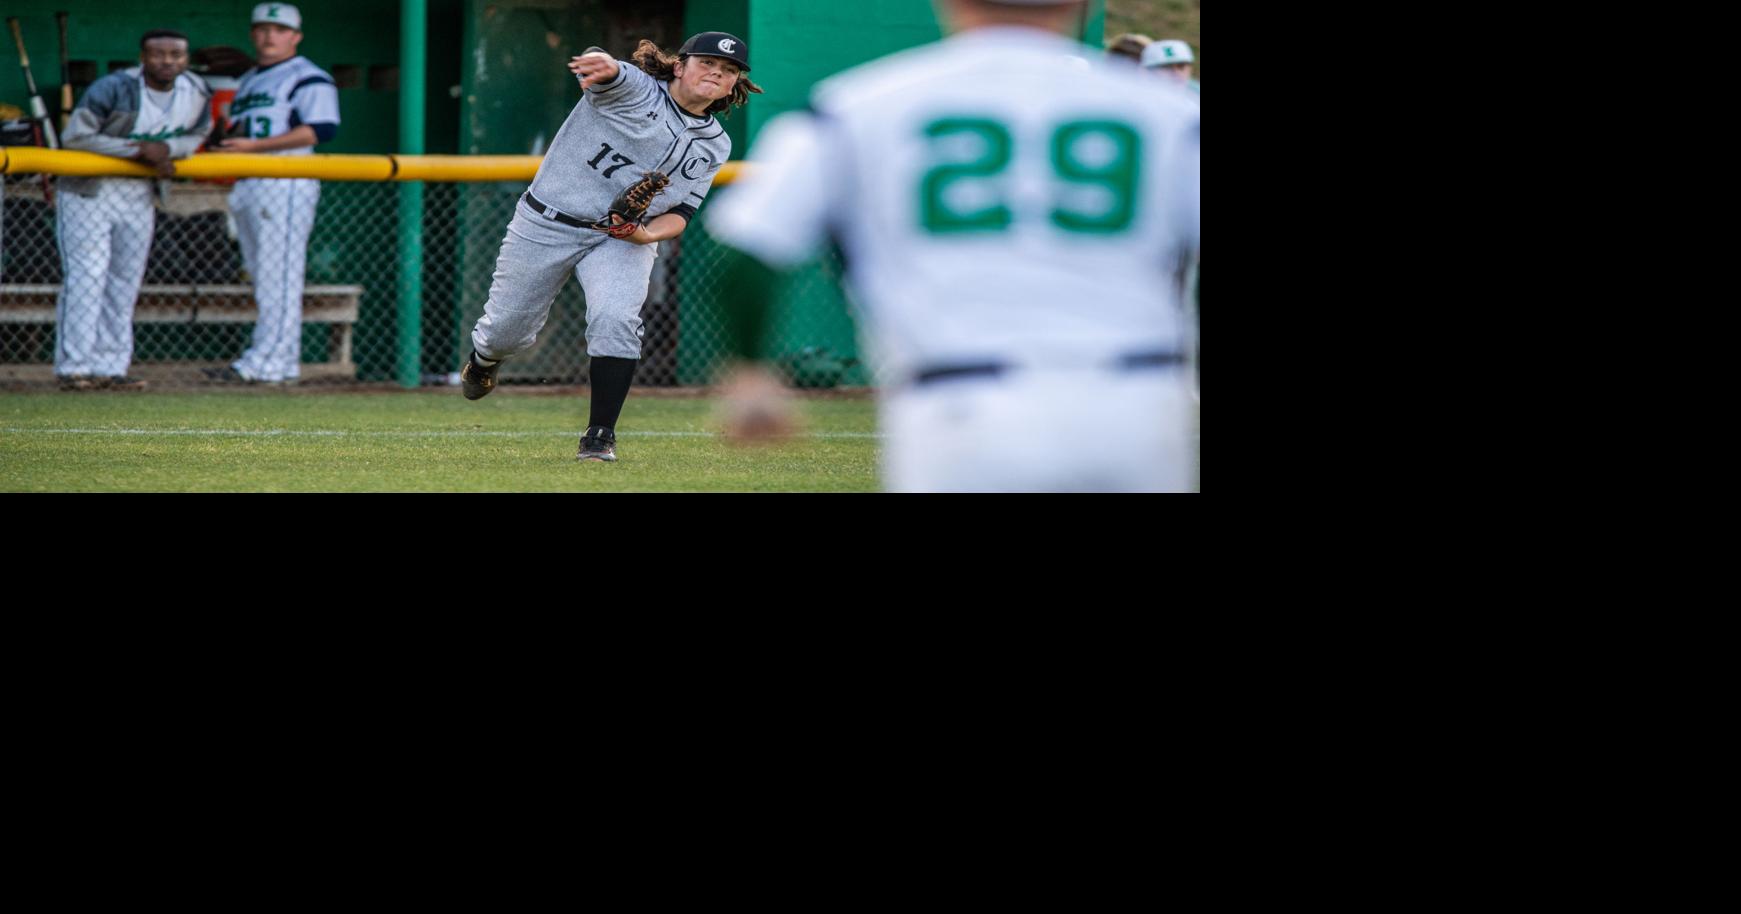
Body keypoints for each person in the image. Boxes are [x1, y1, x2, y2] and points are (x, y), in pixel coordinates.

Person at [706, 0, 1202, 492]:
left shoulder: (861, 101)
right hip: (1137, 402)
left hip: (961, 404)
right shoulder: (1169, 110)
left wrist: (750, 370)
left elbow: (750, 249)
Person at [459, 32, 760, 462]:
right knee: (507, 332)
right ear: (679, 65)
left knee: (616, 320)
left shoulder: (715, 144)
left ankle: (600, 436)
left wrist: (646, 235)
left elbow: (683, 214)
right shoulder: (638, 90)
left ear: (734, 85)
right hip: (547, 221)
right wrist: (600, 61)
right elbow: (614, 70)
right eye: (707, 62)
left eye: (729, 70)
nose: (717, 72)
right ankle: (485, 360)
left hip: (619, 238)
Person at [55, 29, 212, 391]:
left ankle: (111, 366)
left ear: (186, 59)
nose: (167, 61)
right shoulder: (113, 87)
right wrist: (136, 151)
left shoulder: (195, 90)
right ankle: (74, 367)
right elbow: (74, 137)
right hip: (90, 189)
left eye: (176, 55)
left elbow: (200, 133)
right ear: (142, 57)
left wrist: (168, 148)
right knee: (88, 275)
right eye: (158, 54)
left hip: (141, 192)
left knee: (125, 280)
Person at [202, 3, 340, 385]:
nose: (269, 36)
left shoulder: (307, 75)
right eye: (263, 28)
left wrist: (253, 148)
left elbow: (321, 130)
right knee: (263, 275)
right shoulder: (249, 80)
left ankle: (271, 363)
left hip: (286, 181)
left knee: (279, 275)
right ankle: (268, 359)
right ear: (253, 33)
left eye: (279, 29)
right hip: (250, 181)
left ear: (295, 36)